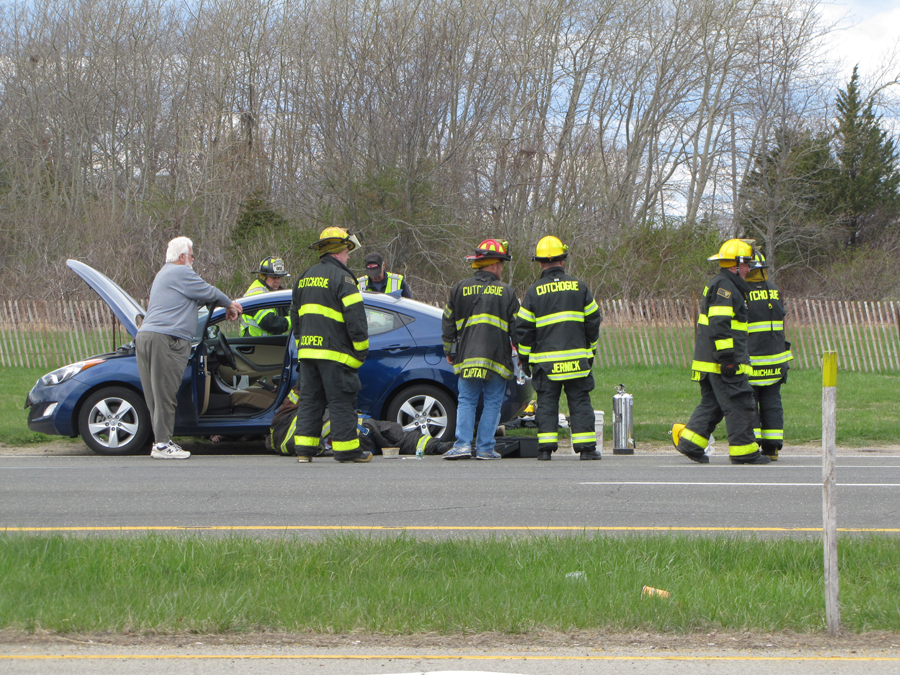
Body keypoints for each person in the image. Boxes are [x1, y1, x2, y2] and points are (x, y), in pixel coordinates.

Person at [136, 236, 242, 460]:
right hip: (166, 339)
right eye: (192, 255)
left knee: (154, 395)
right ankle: (163, 445)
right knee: (165, 393)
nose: (193, 260)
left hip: (147, 335)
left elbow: (196, 300)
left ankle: (160, 441)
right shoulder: (181, 272)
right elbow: (209, 291)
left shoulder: (163, 274)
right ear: (183, 256)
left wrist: (221, 304)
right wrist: (230, 304)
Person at [672, 239, 769, 465]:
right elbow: (720, 323)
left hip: (712, 360)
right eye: (746, 265)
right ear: (735, 265)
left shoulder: (725, 284)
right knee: (740, 401)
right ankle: (744, 451)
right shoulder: (725, 286)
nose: (748, 270)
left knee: (714, 404)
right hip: (721, 360)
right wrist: (727, 358)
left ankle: (691, 442)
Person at [516, 236, 603, 461]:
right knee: (580, 401)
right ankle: (586, 450)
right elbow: (593, 321)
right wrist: (589, 351)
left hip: (546, 364)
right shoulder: (579, 287)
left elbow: (523, 330)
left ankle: (545, 450)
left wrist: (526, 361)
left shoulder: (534, 292)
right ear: (562, 260)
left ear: (541, 263)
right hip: (577, 361)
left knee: (546, 403)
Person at [290, 227, 372, 463]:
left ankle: (304, 451)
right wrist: (361, 351)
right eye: (347, 252)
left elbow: (295, 317)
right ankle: (347, 451)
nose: (348, 257)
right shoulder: (344, 278)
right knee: (341, 401)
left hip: (307, 353)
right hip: (335, 354)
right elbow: (356, 320)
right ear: (338, 251)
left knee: (309, 400)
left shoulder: (304, 276)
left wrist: (302, 344)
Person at [441, 239, 520, 460]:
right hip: (497, 358)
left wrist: (449, 349)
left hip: (467, 357)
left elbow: (447, 322)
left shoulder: (459, 289)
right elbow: (517, 328)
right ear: (493, 266)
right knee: (493, 402)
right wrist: (523, 355)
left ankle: (463, 445)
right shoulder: (507, 292)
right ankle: (485, 448)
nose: (501, 269)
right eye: (501, 265)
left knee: (466, 400)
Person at [269, 386, 453, 458]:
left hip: (355, 429)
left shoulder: (290, 419)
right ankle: (437, 447)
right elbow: (291, 443)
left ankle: (436, 446)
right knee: (387, 433)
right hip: (357, 431)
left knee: (390, 434)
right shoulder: (288, 428)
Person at [745, 250, 793, 461]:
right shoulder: (774, 290)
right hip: (776, 361)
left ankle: (752, 445)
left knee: (749, 401)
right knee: (772, 403)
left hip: (752, 361)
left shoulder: (741, 292)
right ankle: (772, 448)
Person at [240, 257, 292, 336]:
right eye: (274, 277)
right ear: (264, 276)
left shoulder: (273, 290)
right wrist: (295, 320)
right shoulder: (257, 293)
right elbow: (270, 323)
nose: (277, 281)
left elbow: (287, 308)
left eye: (279, 277)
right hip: (254, 344)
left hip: (267, 344)